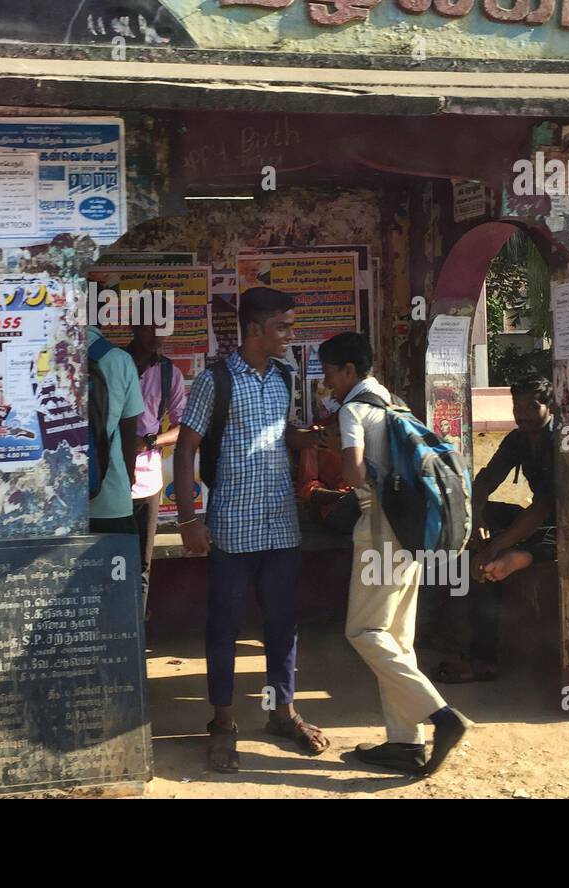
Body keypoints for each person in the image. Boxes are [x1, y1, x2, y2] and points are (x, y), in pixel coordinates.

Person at [174, 287, 331, 773]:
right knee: (222, 627)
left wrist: (311, 436)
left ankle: (282, 712)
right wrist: (187, 519)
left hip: (281, 526)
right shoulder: (214, 381)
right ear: (256, 330)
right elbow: (185, 450)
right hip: (231, 528)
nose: (290, 336)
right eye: (283, 327)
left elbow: (278, 433)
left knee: (283, 625)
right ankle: (222, 723)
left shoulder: (285, 376)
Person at [319, 331, 470, 776]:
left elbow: (353, 474)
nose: (327, 383)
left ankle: (441, 716)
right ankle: (405, 742)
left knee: (363, 631)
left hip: (380, 529)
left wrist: (336, 447)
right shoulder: (392, 401)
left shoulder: (353, 409)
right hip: (410, 531)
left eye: (330, 372)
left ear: (349, 370)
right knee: (397, 639)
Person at [434, 376, 558, 684]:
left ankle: (521, 556)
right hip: (533, 521)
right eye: (517, 405)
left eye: (533, 406)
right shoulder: (517, 440)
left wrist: (497, 544)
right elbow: (484, 482)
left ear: (550, 406)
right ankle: (475, 651)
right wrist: (477, 520)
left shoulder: (560, 440)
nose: (523, 413)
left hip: (562, 526)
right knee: (472, 530)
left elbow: (544, 506)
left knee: (497, 554)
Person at [127, 323, 185, 618]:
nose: (156, 337)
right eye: (149, 328)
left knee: (142, 563)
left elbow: (182, 427)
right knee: (109, 557)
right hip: (112, 482)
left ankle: (137, 632)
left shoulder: (167, 374)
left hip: (148, 481)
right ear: (134, 327)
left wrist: (151, 440)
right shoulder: (114, 365)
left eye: (161, 329)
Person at [87, 322, 144, 535]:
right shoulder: (120, 360)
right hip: (111, 500)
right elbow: (129, 433)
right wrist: (128, 479)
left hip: (57, 503)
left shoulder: (46, 354)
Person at [295, 402, 360, 537]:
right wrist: (341, 497)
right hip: (336, 508)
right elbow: (307, 487)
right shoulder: (319, 434)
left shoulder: (369, 431)